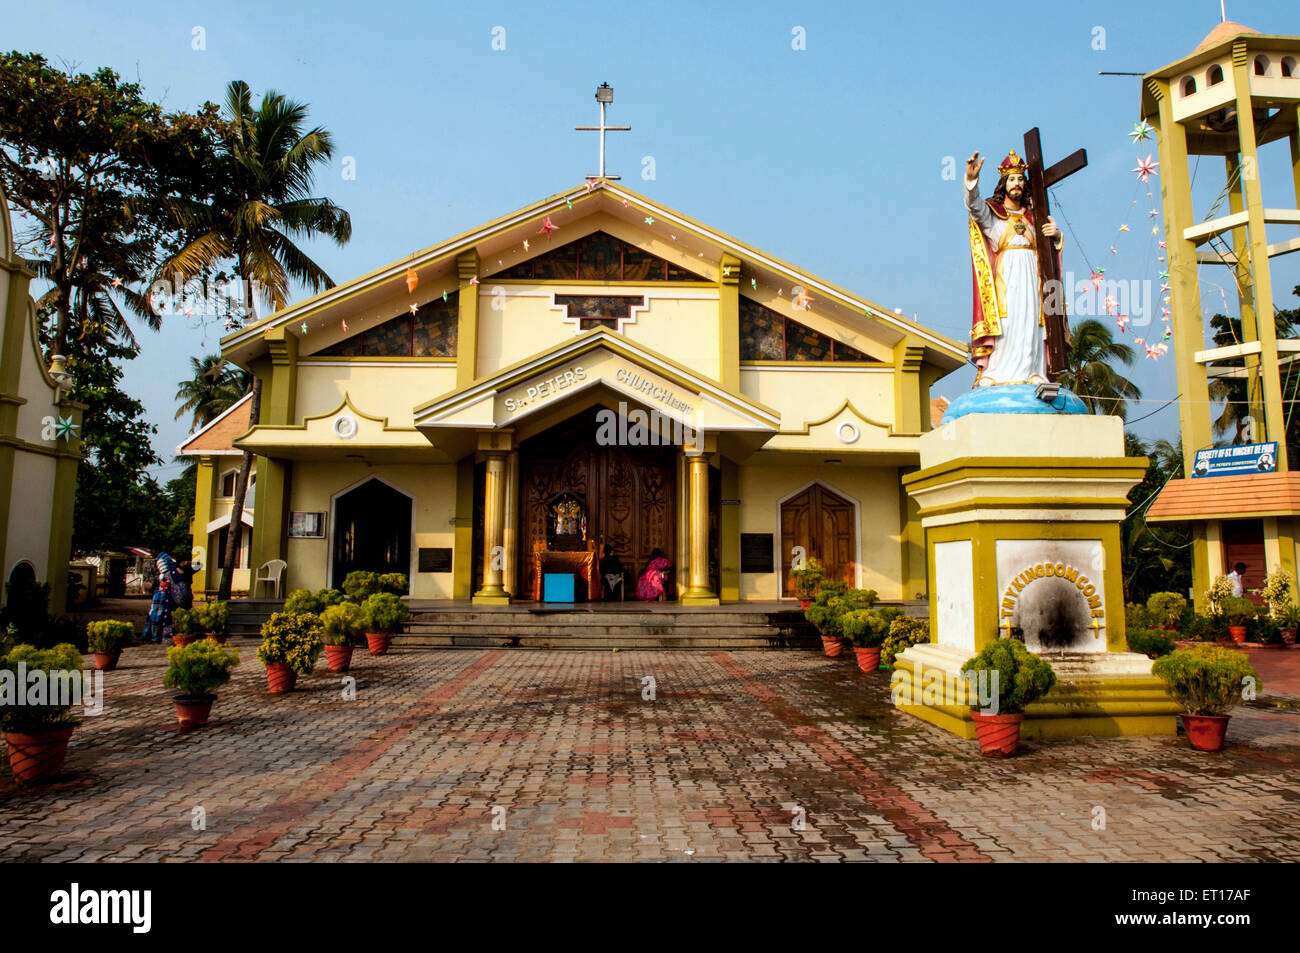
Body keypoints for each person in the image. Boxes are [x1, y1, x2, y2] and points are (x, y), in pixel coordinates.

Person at [964, 149, 1063, 387]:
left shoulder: (1034, 218)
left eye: (1020, 179)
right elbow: (974, 207)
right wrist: (971, 181)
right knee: (1007, 320)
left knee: (1032, 320)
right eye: (1012, 179)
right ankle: (997, 371)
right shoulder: (995, 215)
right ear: (1003, 184)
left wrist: (1056, 237)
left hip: (1032, 276)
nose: (1016, 183)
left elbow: (1050, 250)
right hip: (1007, 277)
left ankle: (1033, 369)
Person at [142, 552, 183, 644]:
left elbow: (164, 575)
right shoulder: (165, 559)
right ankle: (154, 635)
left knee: (156, 613)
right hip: (165, 591)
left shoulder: (163, 559)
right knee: (158, 613)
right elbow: (165, 575)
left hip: (163, 590)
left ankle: (153, 636)